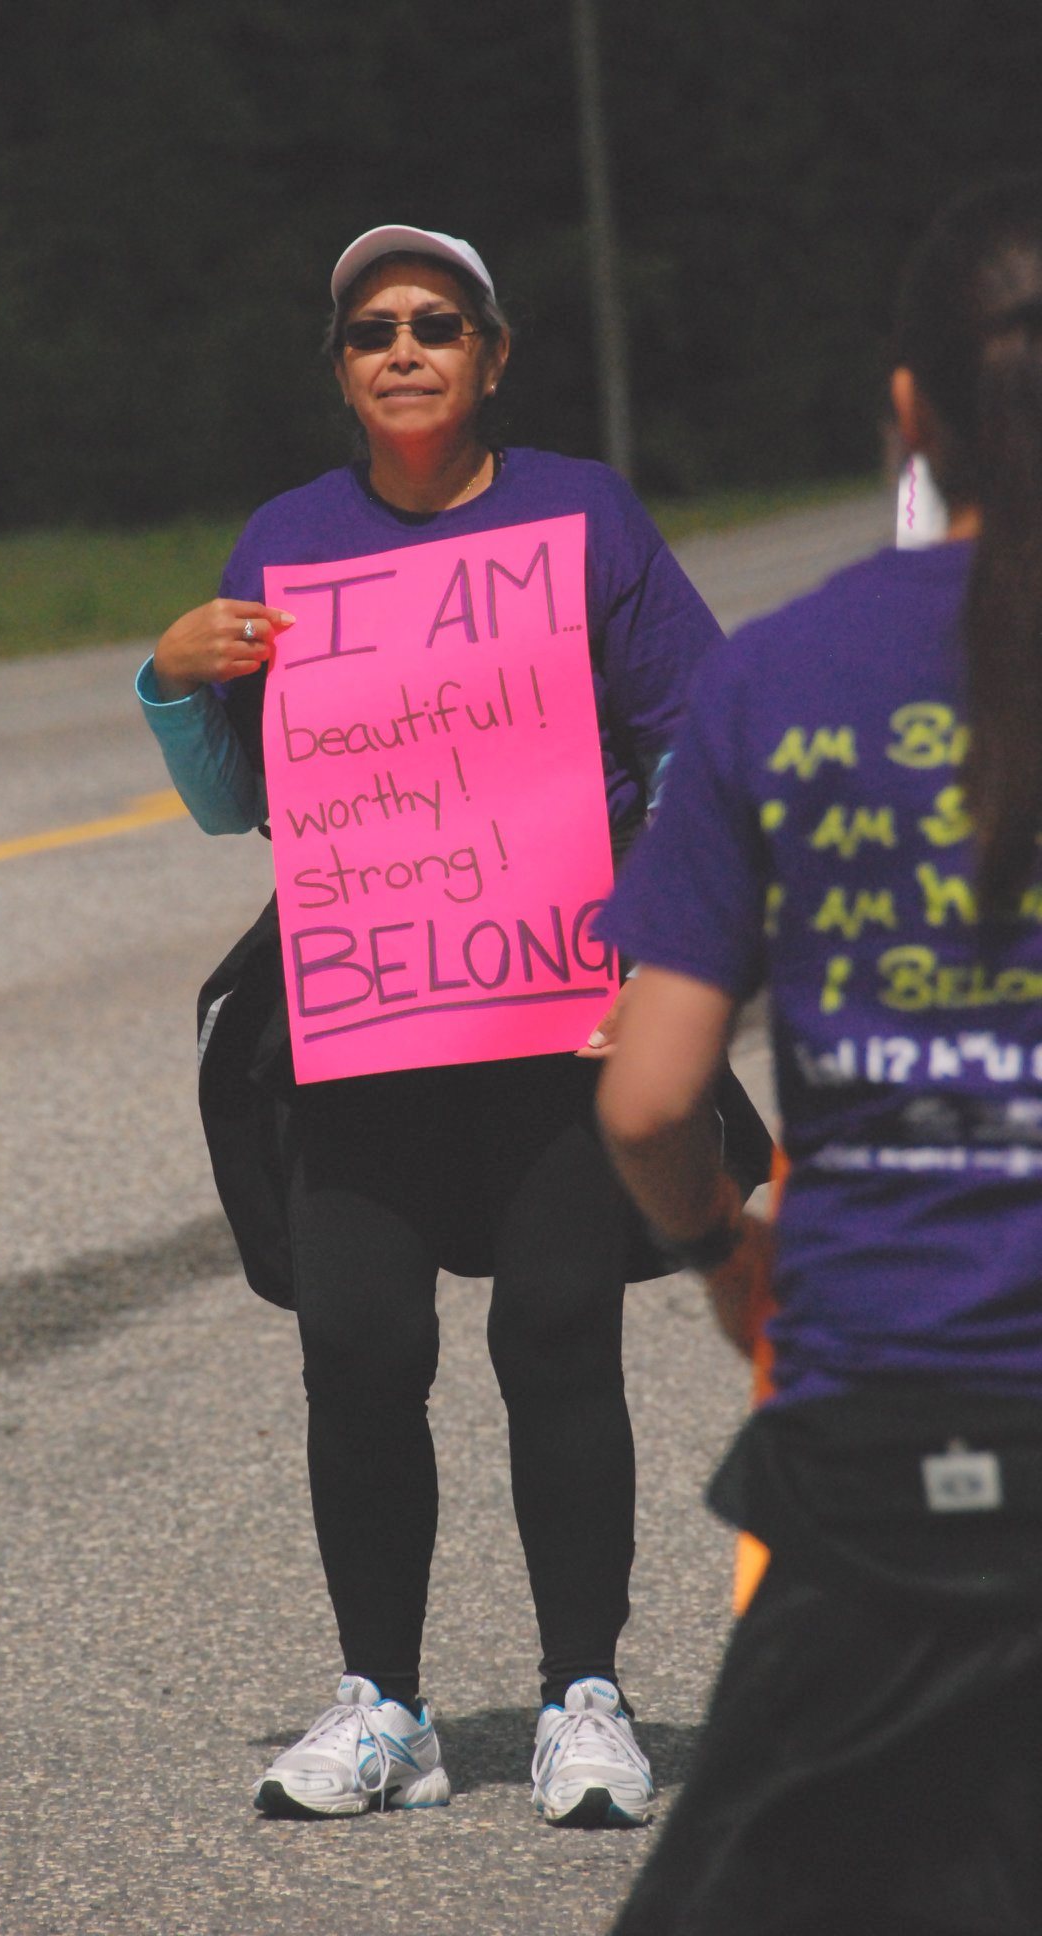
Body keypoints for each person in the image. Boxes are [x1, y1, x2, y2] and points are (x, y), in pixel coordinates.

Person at [137, 224, 731, 1825]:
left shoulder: (581, 514)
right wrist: (172, 680)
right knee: (359, 1350)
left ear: (493, 353)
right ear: (339, 368)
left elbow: (696, 739)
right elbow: (233, 803)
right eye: (369, 331)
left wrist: (668, 951)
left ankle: (581, 1696)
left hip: (557, 1010)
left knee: (555, 1336)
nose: (403, 350)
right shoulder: (286, 538)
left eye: (436, 324)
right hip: (365, 1016)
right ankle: (383, 1708)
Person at [596, 176, 1042, 1935]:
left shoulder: (778, 676)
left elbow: (645, 1092)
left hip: (882, 1432)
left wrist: (722, 1249)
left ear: (913, 409)